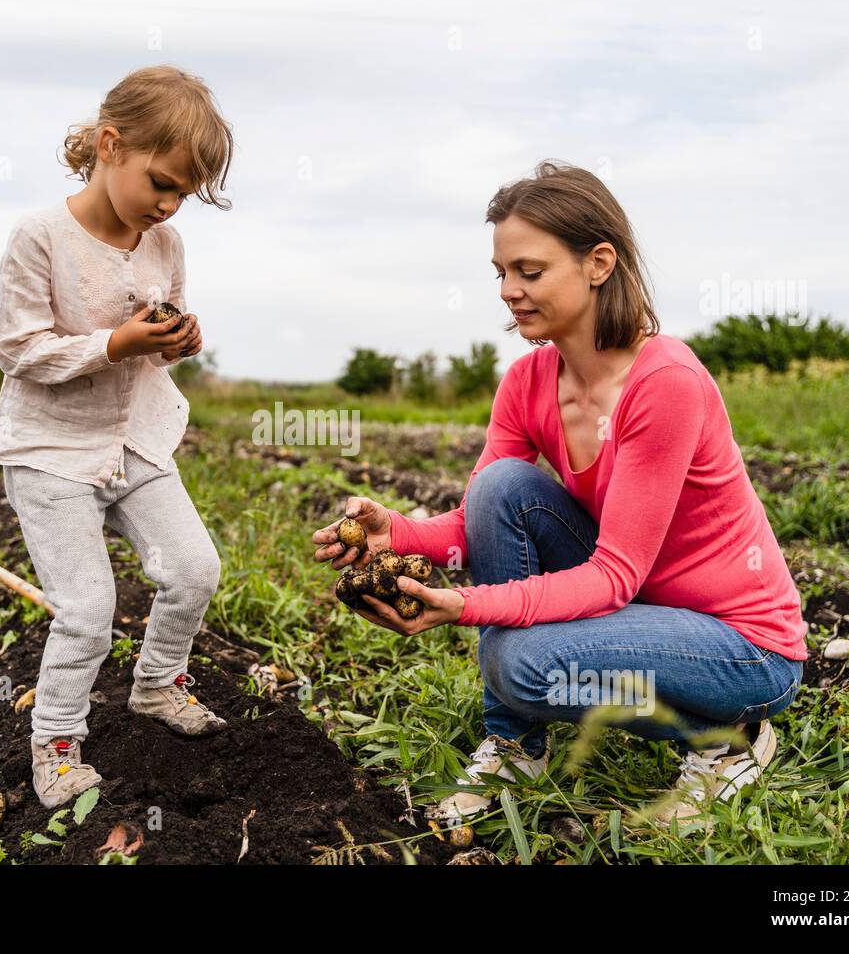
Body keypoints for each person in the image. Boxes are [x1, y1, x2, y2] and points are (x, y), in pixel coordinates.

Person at [311, 160, 807, 830]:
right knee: (500, 486)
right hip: (646, 608)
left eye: (530, 271)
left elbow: (613, 575)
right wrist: (395, 533)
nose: (510, 291)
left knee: (520, 665)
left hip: (741, 646)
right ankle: (518, 744)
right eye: (501, 273)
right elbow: (477, 521)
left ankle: (725, 738)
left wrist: (464, 605)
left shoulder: (664, 383)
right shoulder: (529, 379)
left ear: (598, 263)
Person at [0, 65, 234, 809]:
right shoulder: (40, 236)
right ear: (109, 144)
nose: (167, 203)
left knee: (194, 570)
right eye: (160, 182)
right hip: (51, 454)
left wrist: (174, 340)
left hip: (135, 442)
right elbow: (19, 348)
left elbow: (155, 333)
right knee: (88, 610)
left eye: (182, 194)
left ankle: (157, 685)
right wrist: (113, 344)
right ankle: (57, 742)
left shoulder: (166, 245)